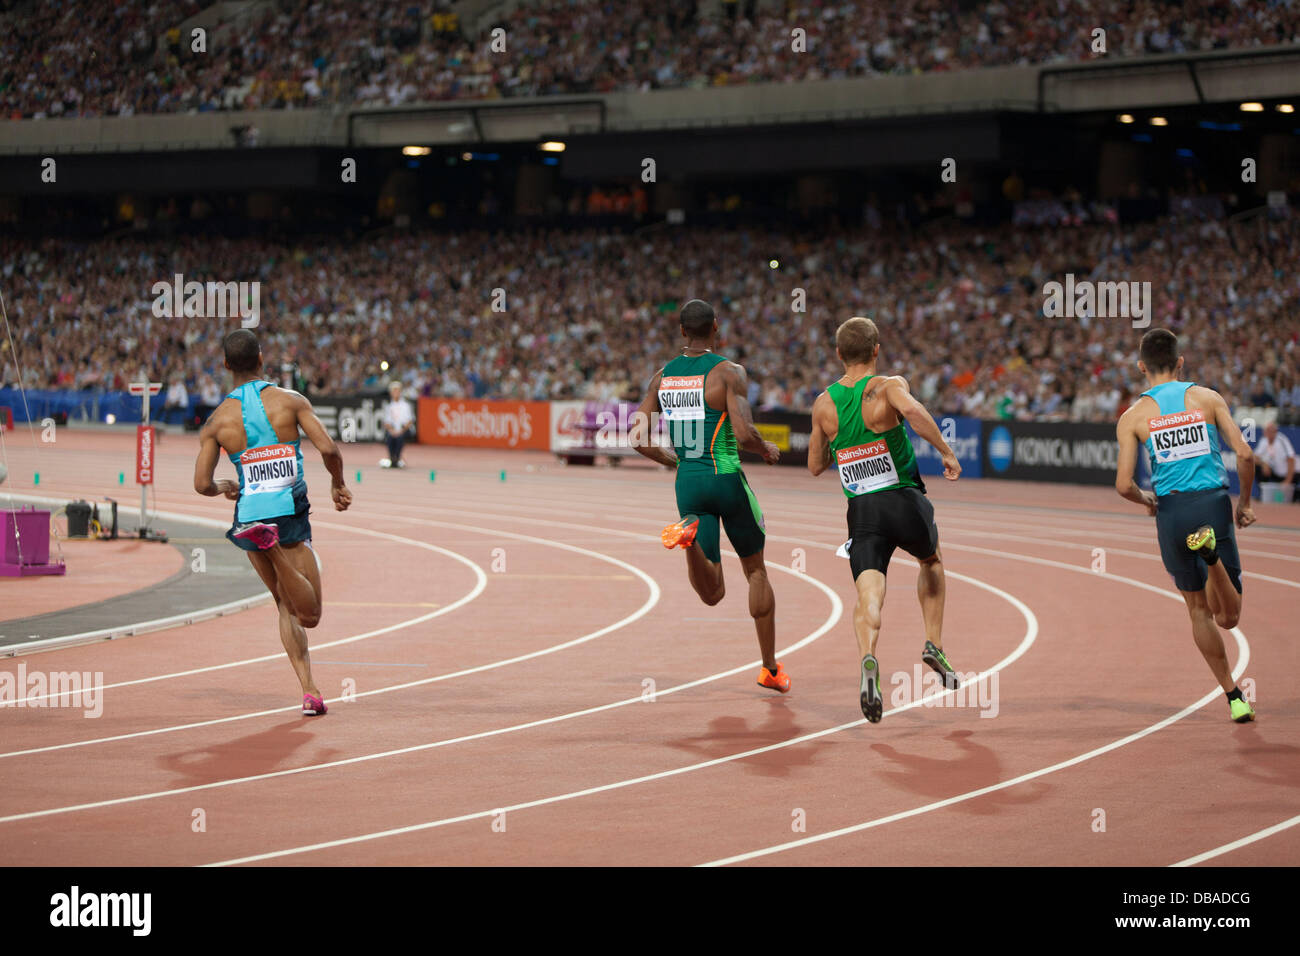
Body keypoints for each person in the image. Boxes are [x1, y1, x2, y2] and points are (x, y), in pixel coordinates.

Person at [628, 299, 789, 693]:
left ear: (683, 332)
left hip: (689, 483)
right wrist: (766, 448)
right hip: (726, 477)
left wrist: (674, 461)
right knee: (756, 572)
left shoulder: (661, 377)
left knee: (713, 593)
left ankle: (688, 544)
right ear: (716, 327)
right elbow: (745, 432)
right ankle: (769, 668)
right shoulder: (729, 373)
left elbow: (637, 438)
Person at [807, 316, 962, 723]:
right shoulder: (889, 386)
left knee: (869, 594)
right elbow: (914, 411)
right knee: (931, 561)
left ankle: (868, 658)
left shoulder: (824, 403)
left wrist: (840, 445)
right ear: (877, 350)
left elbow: (814, 465)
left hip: (862, 513)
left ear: (839, 354)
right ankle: (933, 643)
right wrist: (945, 450)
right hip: (904, 500)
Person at [193, 329, 353, 716]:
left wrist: (225, 486)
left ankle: (310, 691)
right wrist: (338, 484)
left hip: (248, 514)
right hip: (288, 509)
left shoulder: (216, 423)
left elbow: (201, 485)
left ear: (227, 365)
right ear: (262, 359)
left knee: (283, 603)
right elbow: (329, 448)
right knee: (310, 615)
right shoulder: (291, 401)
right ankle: (275, 549)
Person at [1115, 328, 1257, 723]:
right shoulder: (1206, 398)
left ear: (1141, 367)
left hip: (1172, 513)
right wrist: (1243, 505)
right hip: (1212, 505)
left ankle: (1234, 697)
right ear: (1180, 362)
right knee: (1230, 617)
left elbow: (1124, 484)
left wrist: (1148, 501)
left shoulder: (1133, 417)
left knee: (1198, 610)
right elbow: (1244, 455)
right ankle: (1210, 556)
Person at [1254, 420, 1297, 503]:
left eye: (1271, 431)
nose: (1268, 433)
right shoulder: (1264, 441)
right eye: (1266, 431)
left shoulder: (1282, 440)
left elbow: (1291, 459)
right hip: (1275, 473)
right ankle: (1263, 494)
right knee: (1257, 467)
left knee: (1290, 498)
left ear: (1275, 431)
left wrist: (1288, 480)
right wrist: (1264, 464)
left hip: (1287, 475)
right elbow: (1255, 457)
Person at [380, 380, 415, 468]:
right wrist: (392, 431)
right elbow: (386, 422)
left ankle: (397, 458)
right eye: (394, 391)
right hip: (393, 430)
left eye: (397, 391)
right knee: (389, 437)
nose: (395, 393)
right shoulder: (389, 406)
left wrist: (401, 431)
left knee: (399, 438)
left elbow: (409, 421)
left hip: (403, 430)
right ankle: (392, 458)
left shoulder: (405, 405)